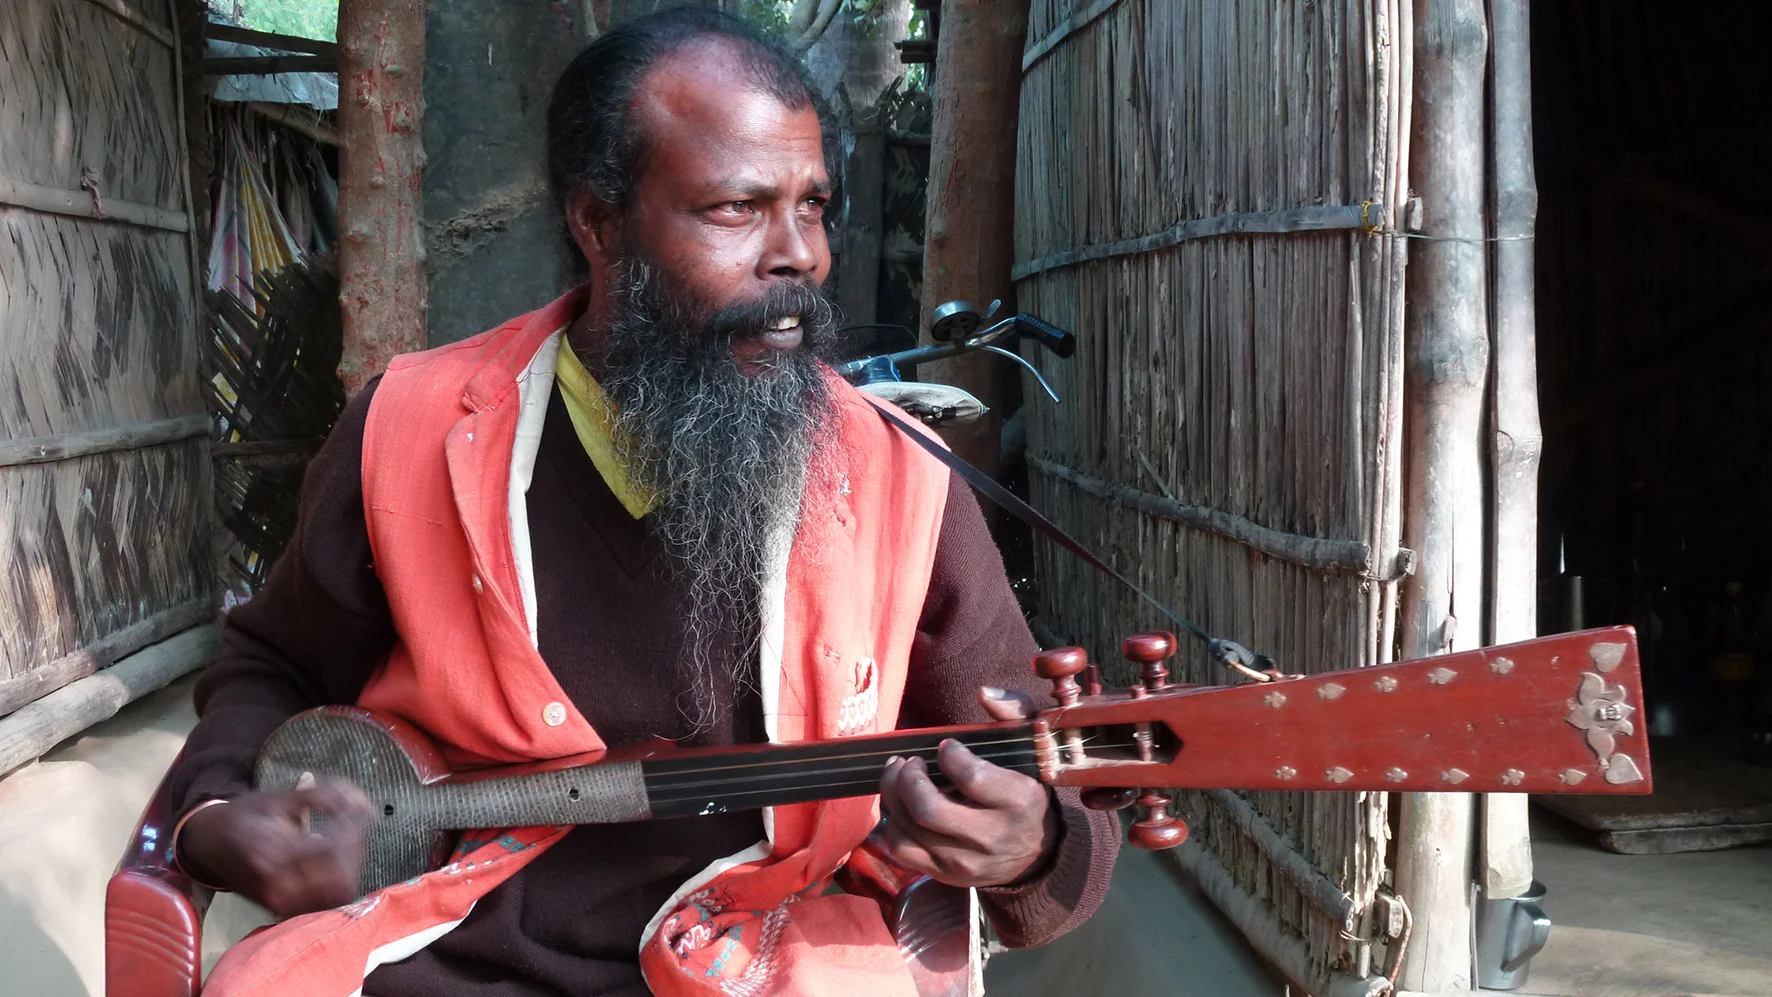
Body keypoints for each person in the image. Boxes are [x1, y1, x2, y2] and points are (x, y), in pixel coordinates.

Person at [165, 9, 1118, 997]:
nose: (800, 255)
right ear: (598, 222)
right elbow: (272, 665)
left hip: (767, 950)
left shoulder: (898, 479)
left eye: (813, 206)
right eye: (737, 208)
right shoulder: (408, 431)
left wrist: (1031, 845)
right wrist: (222, 812)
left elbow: (1055, 782)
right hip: (442, 949)